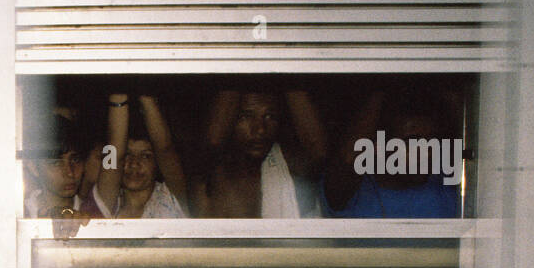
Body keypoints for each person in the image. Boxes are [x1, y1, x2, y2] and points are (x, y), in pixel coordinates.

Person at [322, 89, 462, 218]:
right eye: (412, 141)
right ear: (378, 146)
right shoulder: (355, 192)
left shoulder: (447, 188)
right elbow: (348, 159)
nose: (427, 152)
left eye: (432, 141)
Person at [190, 87, 327, 218]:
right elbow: (213, 143)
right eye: (246, 116)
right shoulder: (213, 176)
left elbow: (317, 150)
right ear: (230, 119)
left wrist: (286, 67)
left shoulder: (287, 166)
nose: (260, 129)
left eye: (269, 117)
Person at [83, 92, 188, 218]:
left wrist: (145, 92)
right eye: (128, 154)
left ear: (157, 164)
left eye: (145, 156)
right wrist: (118, 88)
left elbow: (165, 149)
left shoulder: (171, 196)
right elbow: (113, 150)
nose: (134, 164)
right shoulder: (108, 199)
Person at [23, 113, 85, 218]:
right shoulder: (19, 213)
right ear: (33, 167)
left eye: (75, 160)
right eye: (56, 163)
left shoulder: (91, 211)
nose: (70, 172)